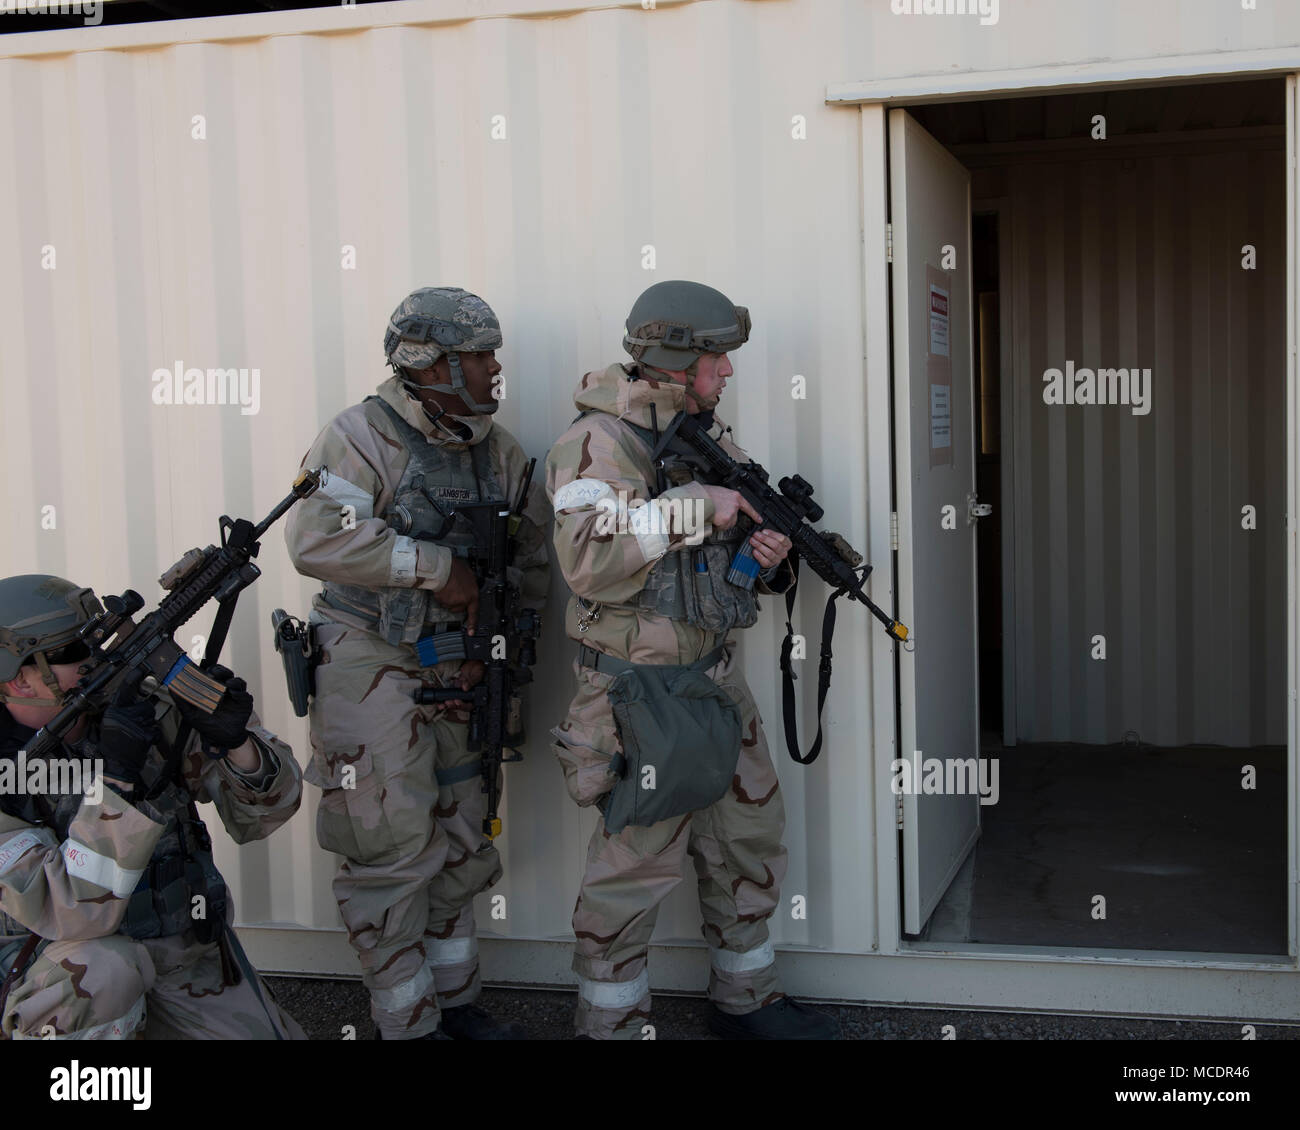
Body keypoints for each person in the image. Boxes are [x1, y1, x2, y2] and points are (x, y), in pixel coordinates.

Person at [545, 280, 838, 1040]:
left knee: (746, 843)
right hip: (638, 696)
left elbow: (720, 547)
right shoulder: (597, 442)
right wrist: (695, 507)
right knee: (632, 873)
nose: (728, 374)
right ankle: (612, 1025)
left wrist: (765, 557)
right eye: (718, 359)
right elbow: (587, 559)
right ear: (678, 360)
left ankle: (748, 1000)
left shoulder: (708, 432)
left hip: (714, 684)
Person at [285, 286, 549, 1041]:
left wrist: (498, 644)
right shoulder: (360, 436)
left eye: (494, 352)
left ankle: (456, 1002)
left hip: (462, 665)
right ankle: (406, 1022)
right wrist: (438, 569)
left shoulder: (497, 450)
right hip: (371, 660)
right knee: (389, 842)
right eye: (478, 354)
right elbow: (316, 540)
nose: (494, 368)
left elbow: (527, 562)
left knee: (464, 835)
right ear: (425, 361)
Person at [0, 573, 305, 1040]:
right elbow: (75, 914)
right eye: (71, 652)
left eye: (95, 641)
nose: (94, 659)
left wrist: (238, 743)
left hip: (178, 952)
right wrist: (116, 786)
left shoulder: (146, 712)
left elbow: (264, 816)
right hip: (51, 968)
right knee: (104, 970)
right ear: (19, 678)